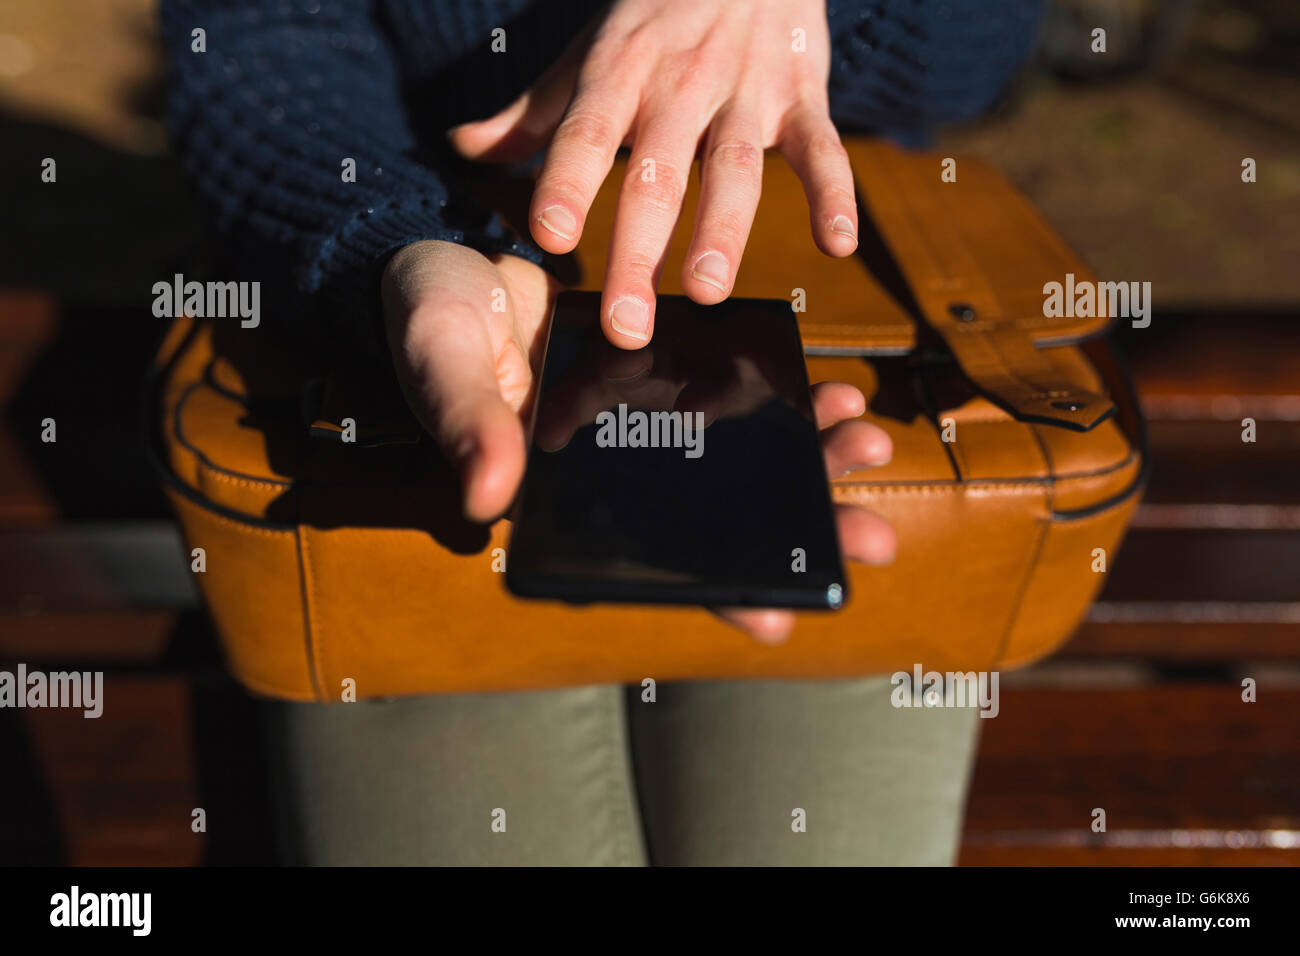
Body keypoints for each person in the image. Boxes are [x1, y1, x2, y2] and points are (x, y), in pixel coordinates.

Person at [162, 0, 1044, 865]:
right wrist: (391, 246)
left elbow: (988, 45)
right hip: (416, 392)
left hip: (816, 330)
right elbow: (257, 46)